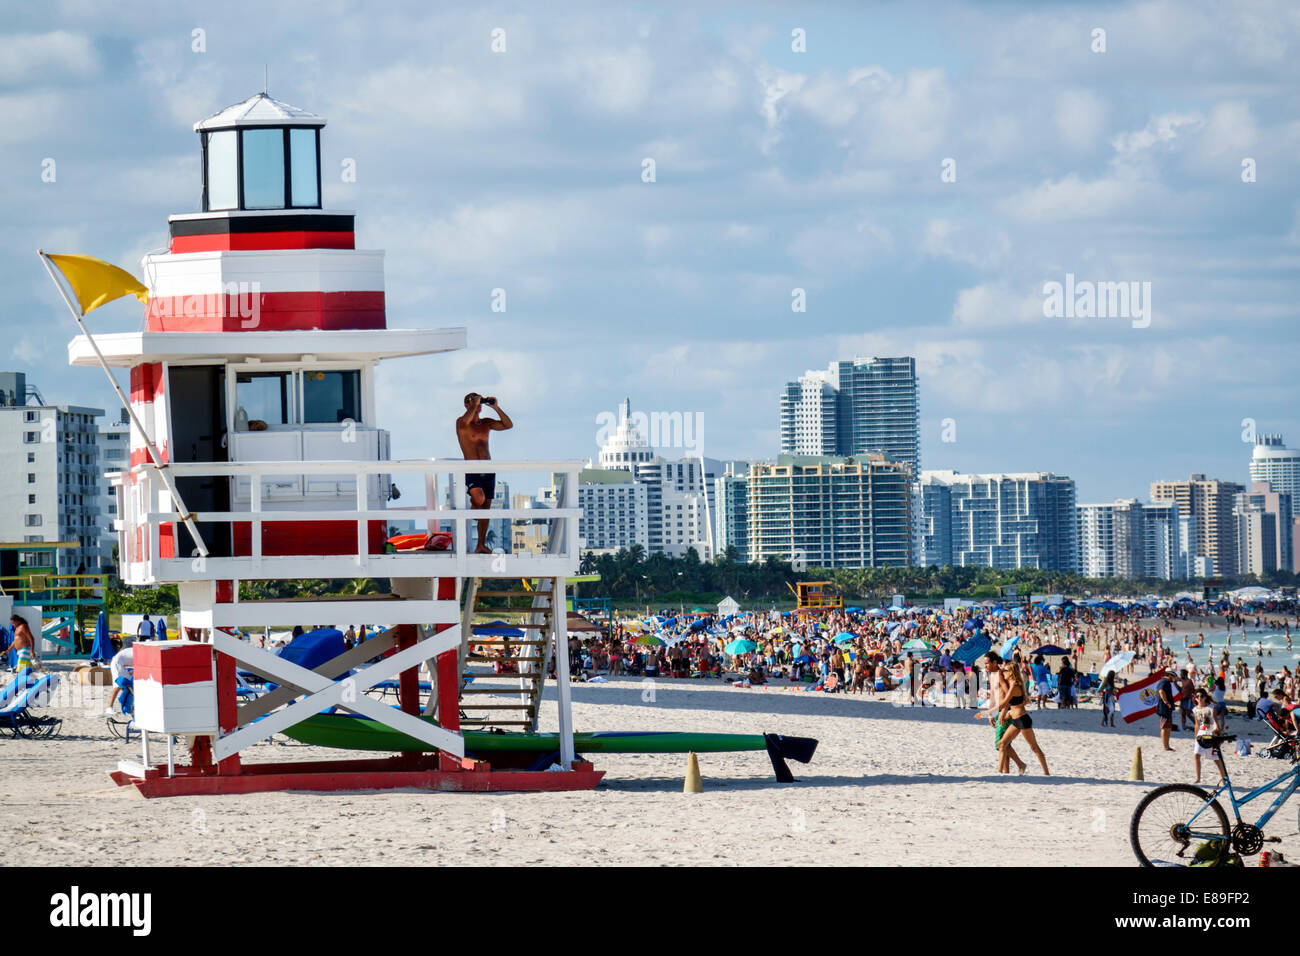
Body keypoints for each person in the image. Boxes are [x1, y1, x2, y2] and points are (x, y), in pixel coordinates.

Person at [455, 392, 513, 554]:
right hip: (472, 468)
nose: (478, 406)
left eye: (480, 403)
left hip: (488, 468)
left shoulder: (486, 423)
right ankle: (474, 506)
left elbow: (508, 425)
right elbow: (465, 421)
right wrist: (473, 405)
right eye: (474, 403)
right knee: (479, 499)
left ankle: (480, 544)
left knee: (486, 508)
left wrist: (496, 407)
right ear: (467, 405)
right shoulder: (462, 423)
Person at [995, 659, 1050, 775]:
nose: (1003, 672)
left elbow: (1005, 703)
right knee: (1002, 744)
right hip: (1016, 720)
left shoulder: (1014, 686)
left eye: (1005, 670)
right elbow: (1015, 704)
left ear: (1011, 672)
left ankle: (1046, 773)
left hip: (1023, 720)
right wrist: (1006, 714)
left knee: (1034, 747)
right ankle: (1000, 772)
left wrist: (989, 711)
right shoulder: (1013, 684)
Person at [975, 651, 1026, 774]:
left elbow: (1008, 695)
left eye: (987, 663)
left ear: (994, 662)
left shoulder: (1001, 674)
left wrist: (1003, 712)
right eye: (984, 663)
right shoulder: (991, 675)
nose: (985, 666)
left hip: (1006, 710)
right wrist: (990, 714)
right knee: (1005, 743)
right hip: (998, 711)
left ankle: (1020, 764)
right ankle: (1006, 771)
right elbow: (993, 695)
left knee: (1000, 743)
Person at [1191, 688, 1226, 785]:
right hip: (1201, 734)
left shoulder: (1211, 707)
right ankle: (1198, 778)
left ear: (1205, 697)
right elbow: (1197, 724)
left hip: (1211, 734)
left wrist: (1219, 735)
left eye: (1201, 696)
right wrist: (1195, 738)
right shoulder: (1195, 709)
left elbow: (1215, 721)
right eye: (1197, 696)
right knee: (1196, 755)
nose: (1199, 698)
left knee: (1216, 759)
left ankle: (1224, 779)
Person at [107, 642, 134, 715]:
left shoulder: (137, 651)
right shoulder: (140, 653)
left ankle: (128, 705)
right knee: (119, 686)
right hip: (117, 663)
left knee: (128, 685)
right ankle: (110, 707)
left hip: (119, 664)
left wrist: (130, 672)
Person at [1155, 670, 1176, 751]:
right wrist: (1166, 702)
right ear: (1169, 675)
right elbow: (1161, 691)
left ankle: (1167, 745)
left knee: (1168, 727)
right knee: (1164, 727)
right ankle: (1165, 746)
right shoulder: (1164, 682)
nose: (1174, 678)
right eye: (1173, 676)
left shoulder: (1166, 682)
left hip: (1167, 708)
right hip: (1164, 708)